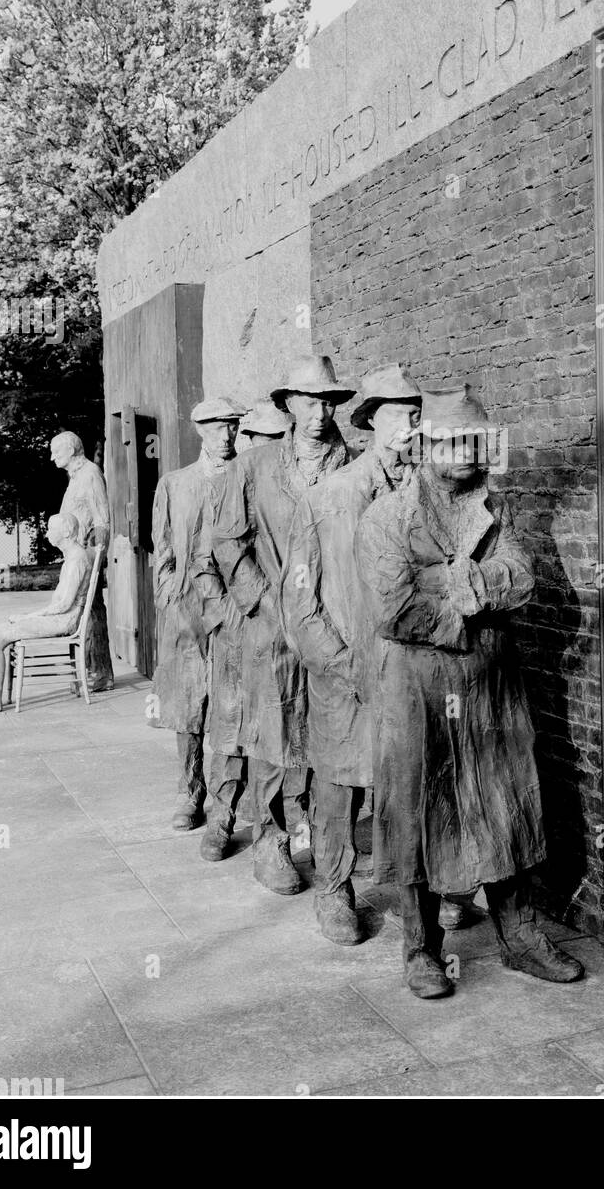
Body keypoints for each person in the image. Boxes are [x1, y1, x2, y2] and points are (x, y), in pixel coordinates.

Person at [354, 385, 585, 998]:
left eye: (472, 439)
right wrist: (470, 607)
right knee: (416, 808)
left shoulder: (495, 509)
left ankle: (521, 937)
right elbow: (395, 610)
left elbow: (525, 580)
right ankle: (421, 950)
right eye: (450, 439)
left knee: (504, 799)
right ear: (427, 446)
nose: (463, 450)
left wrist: (455, 580)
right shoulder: (385, 517)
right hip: (418, 688)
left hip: (490, 685)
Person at [284, 362, 421, 944]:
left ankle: (420, 889)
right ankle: (334, 889)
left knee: (410, 778)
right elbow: (299, 601)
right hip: (343, 670)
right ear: (370, 422)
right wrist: (341, 664)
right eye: (397, 417)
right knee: (340, 782)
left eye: (417, 417)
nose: (409, 429)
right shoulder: (329, 497)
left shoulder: (426, 494)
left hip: (408, 667)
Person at [214, 354, 354, 895]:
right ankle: (270, 842)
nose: (317, 411)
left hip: (335, 627)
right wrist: (264, 606)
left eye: (326, 400)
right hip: (271, 628)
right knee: (272, 741)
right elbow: (228, 544)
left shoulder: (355, 465)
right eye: (306, 399)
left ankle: (328, 846)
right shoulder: (252, 468)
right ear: (287, 404)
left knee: (333, 740)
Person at [149, 398, 245, 832]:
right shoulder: (175, 483)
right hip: (186, 609)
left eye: (232, 427)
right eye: (218, 427)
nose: (227, 435)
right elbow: (163, 548)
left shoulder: (249, 476)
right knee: (188, 706)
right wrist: (170, 597)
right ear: (199, 429)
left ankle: (229, 802)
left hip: (234, 607)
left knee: (230, 704)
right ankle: (190, 793)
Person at [0, 513, 92, 716]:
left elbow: (64, 605)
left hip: (62, 621)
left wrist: (27, 617)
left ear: (66, 532)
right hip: (57, 618)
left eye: (51, 528)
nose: (48, 533)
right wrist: (29, 616)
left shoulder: (77, 559)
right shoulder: (73, 557)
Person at [50, 431, 114, 691]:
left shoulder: (90, 473)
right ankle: (86, 669)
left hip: (87, 556)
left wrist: (98, 557)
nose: (52, 456)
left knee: (91, 612)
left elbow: (102, 518)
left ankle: (99, 673)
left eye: (56, 451)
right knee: (81, 613)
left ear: (71, 450)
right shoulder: (75, 477)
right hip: (76, 555)